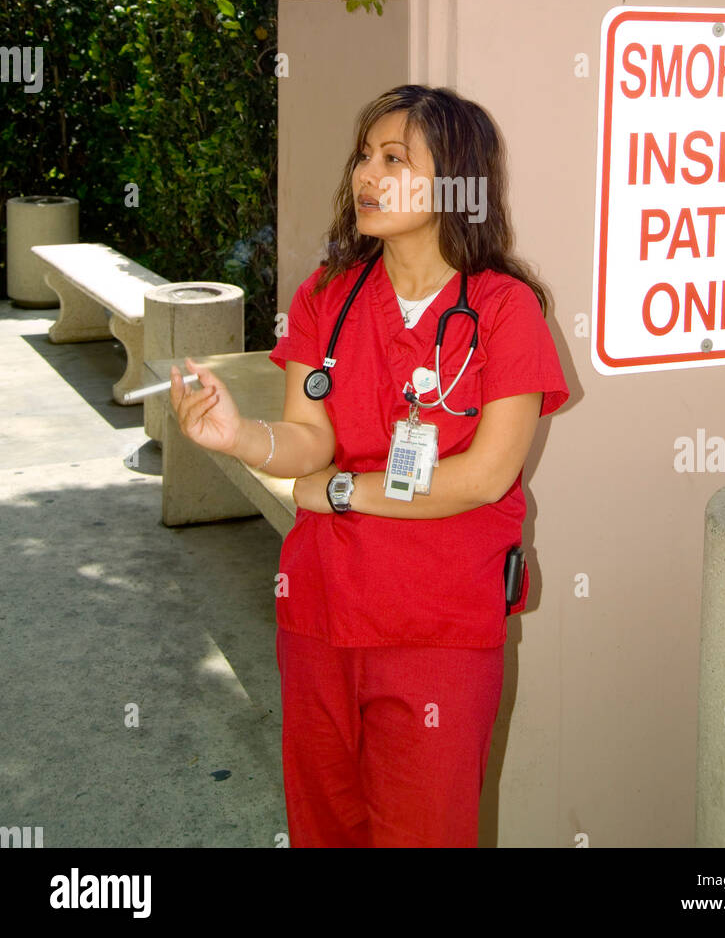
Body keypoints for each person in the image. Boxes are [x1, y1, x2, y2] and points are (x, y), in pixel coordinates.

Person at [169, 83, 569, 848]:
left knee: (424, 831)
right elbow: (305, 440)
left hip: (438, 631)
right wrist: (242, 437)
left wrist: (343, 492)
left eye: (394, 158)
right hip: (320, 612)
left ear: (455, 180)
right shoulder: (329, 296)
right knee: (324, 827)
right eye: (363, 155)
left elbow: (484, 477)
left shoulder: (505, 309)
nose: (366, 174)